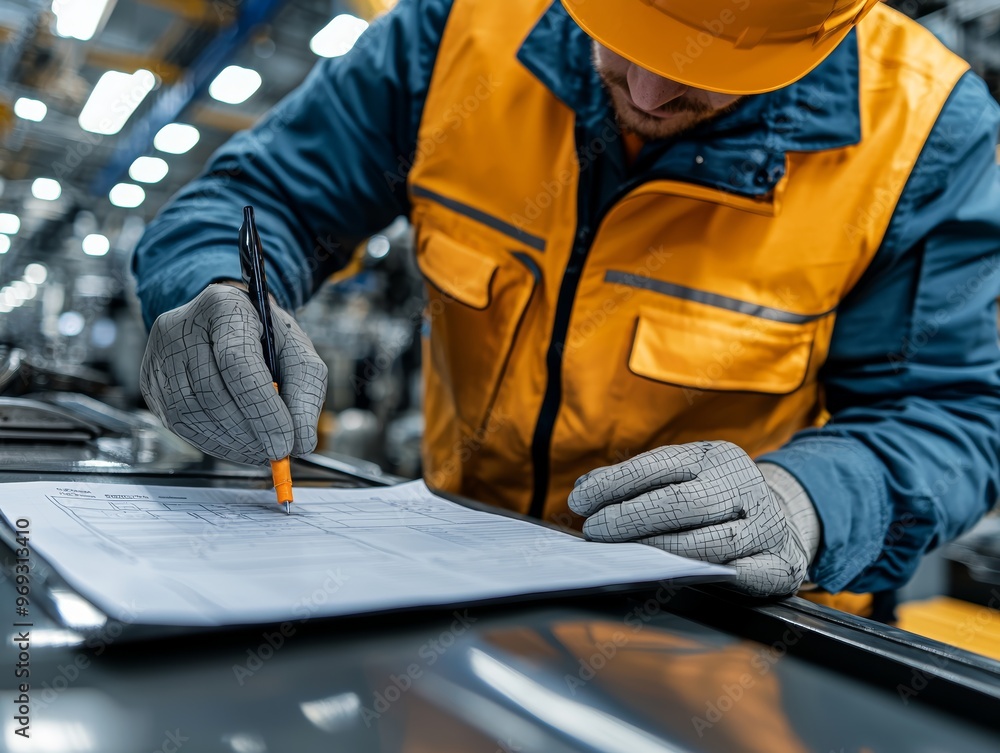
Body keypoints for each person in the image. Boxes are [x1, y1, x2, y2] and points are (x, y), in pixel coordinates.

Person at [134, 0, 1000, 600]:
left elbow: (946, 411)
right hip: (435, 597)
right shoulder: (458, 35)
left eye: (717, 66)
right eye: (632, 30)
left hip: (719, 651)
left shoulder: (922, 133)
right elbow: (263, 201)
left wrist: (804, 501)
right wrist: (213, 290)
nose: (652, 93)